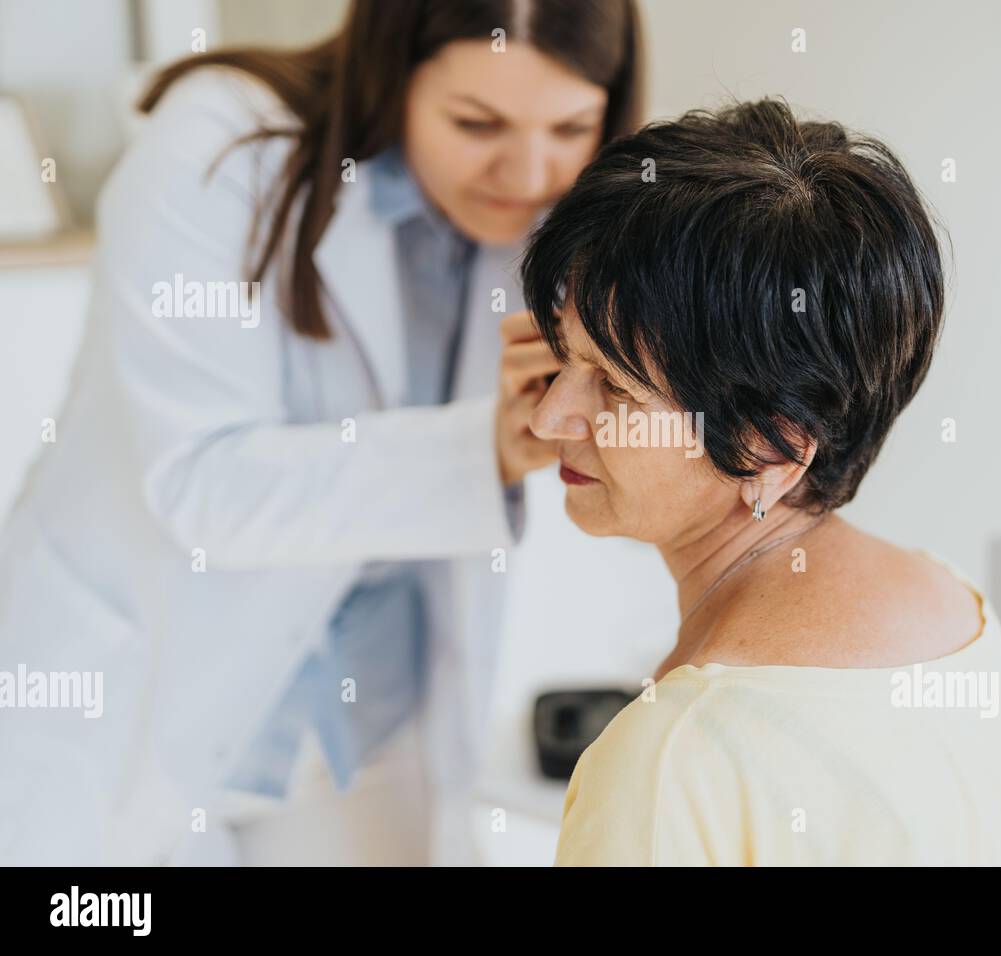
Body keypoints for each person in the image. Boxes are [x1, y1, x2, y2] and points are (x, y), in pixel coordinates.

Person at [0, 0, 643, 866]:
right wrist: (481, 449)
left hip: (365, 721)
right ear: (392, 68)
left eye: (570, 126)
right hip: (143, 694)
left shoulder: (556, 217)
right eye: (475, 121)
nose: (529, 172)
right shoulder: (220, 152)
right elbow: (203, 483)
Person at [520, 98, 1001, 865]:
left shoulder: (669, 761)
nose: (548, 417)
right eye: (560, 356)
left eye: (610, 385)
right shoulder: (948, 606)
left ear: (772, 446)